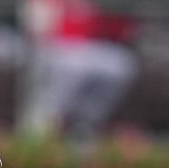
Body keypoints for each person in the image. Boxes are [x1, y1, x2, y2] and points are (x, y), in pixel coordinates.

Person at [18, 0, 138, 147]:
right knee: (72, 69)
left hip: (90, 46)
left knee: (120, 64)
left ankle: (86, 121)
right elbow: (37, 28)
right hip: (58, 46)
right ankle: (50, 121)